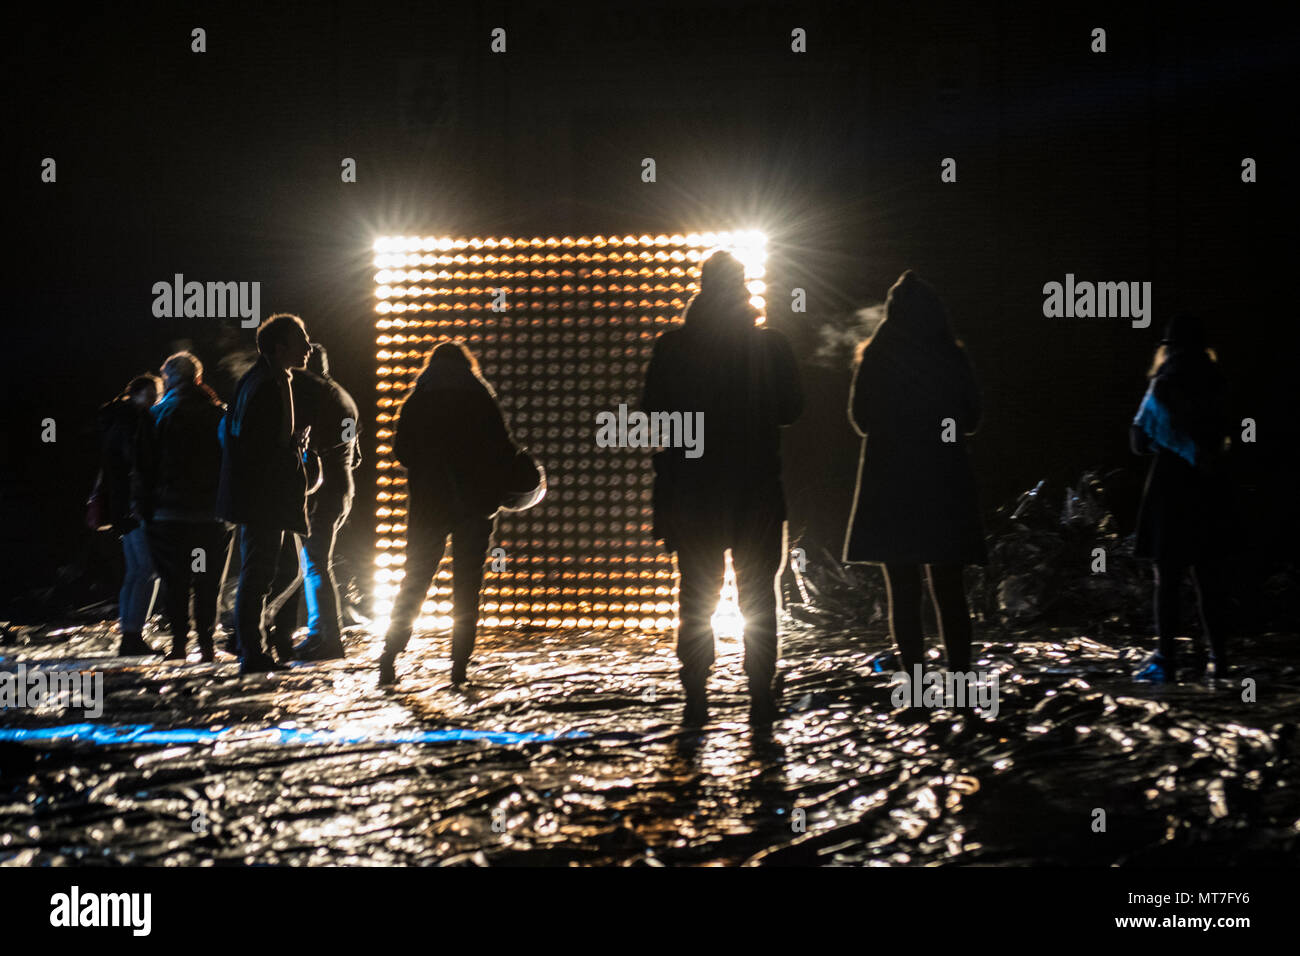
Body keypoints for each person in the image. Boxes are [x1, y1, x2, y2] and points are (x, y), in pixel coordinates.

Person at [642, 250, 803, 727]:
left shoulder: (673, 347)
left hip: (692, 490)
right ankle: (760, 691)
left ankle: (695, 690)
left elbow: (652, 418)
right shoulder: (770, 346)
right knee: (758, 594)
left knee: (696, 593)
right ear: (743, 287)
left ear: (702, 286)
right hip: (756, 487)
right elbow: (792, 409)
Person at [842, 270, 985, 678]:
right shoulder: (951, 356)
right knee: (950, 590)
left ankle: (916, 690)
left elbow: (862, 420)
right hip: (944, 481)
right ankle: (960, 687)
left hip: (891, 484)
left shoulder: (876, 356)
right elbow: (971, 419)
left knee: (902, 594)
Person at [379, 341, 518, 687]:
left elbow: (402, 452)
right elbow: (502, 450)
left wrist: (431, 466)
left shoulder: (419, 399)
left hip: (429, 506)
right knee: (468, 584)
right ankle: (459, 665)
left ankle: (390, 655)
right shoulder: (480, 397)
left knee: (415, 580)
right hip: (475, 505)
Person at [1130, 313, 1232, 682]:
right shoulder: (1218, 382)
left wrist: (1167, 441)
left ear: (1168, 347)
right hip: (1209, 488)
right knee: (1210, 579)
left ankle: (1166, 660)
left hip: (1171, 487)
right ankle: (1219, 659)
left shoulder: (1163, 385)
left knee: (1168, 579)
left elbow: (1139, 442)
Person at [216, 313, 312, 675]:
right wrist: (291, 447)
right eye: (301, 338)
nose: (308, 346)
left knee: (281, 570)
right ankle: (249, 647)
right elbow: (257, 447)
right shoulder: (269, 383)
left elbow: (240, 437)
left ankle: (248, 638)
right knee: (262, 573)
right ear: (279, 347)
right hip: (266, 499)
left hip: (263, 497)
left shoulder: (261, 380)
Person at [132, 352, 232, 662]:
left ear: (169, 379)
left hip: (168, 515)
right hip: (211, 515)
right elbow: (233, 459)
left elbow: (142, 464)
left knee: (175, 582)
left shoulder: (156, 415)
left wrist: (141, 506)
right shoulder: (219, 414)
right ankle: (206, 644)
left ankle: (178, 644)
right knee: (207, 581)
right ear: (198, 378)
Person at [265, 343, 359, 661]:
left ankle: (326, 638)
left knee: (314, 563)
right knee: (315, 562)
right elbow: (355, 457)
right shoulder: (342, 396)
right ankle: (324, 635)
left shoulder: (311, 396)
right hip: (341, 486)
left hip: (319, 490)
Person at [97, 373, 162, 656]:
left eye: (155, 395)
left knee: (136, 570)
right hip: (134, 505)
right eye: (149, 395)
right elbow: (137, 464)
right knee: (147, 569)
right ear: (134, 394)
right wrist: (139, 501)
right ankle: (133, 635)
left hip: (121, 505)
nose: (153, 400)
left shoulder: (116, 419)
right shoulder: (134, 422)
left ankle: (131, 633)